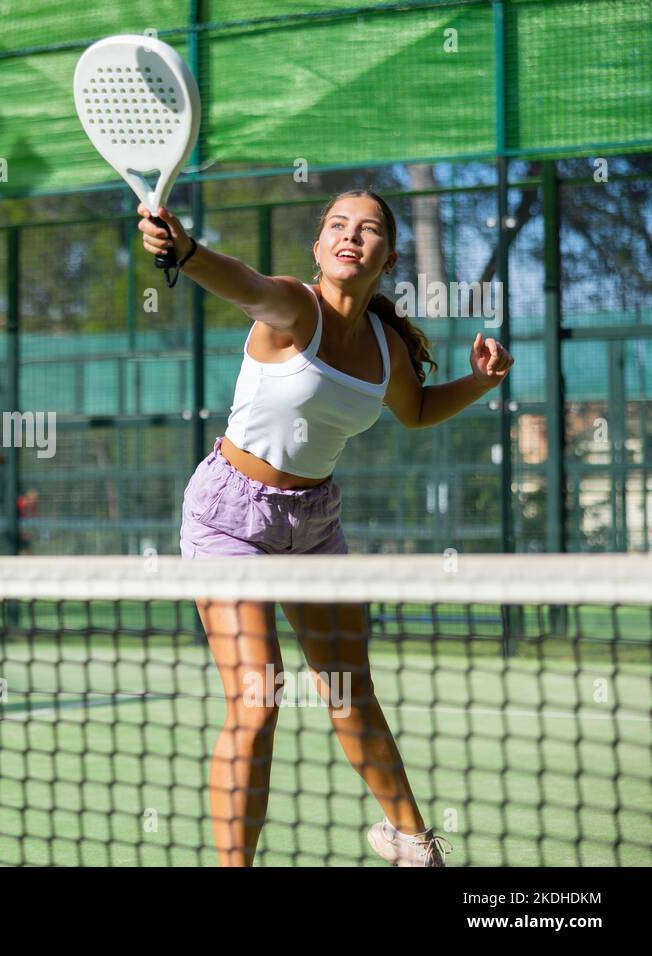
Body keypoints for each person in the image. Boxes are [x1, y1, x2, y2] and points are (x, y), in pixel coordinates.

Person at [140, 189, 513, 867]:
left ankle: (412, 843)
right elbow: (241, 282)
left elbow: (418, 410)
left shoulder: (386, 350)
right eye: (337, 226)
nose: (351, 236)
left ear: (387, 255)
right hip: (229, 519)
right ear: (318, 249)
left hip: (313, 524)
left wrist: (479, 383)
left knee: (348, 689)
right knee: (258, 701)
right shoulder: (292, 308)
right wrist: (186, 251)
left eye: (367, 229)